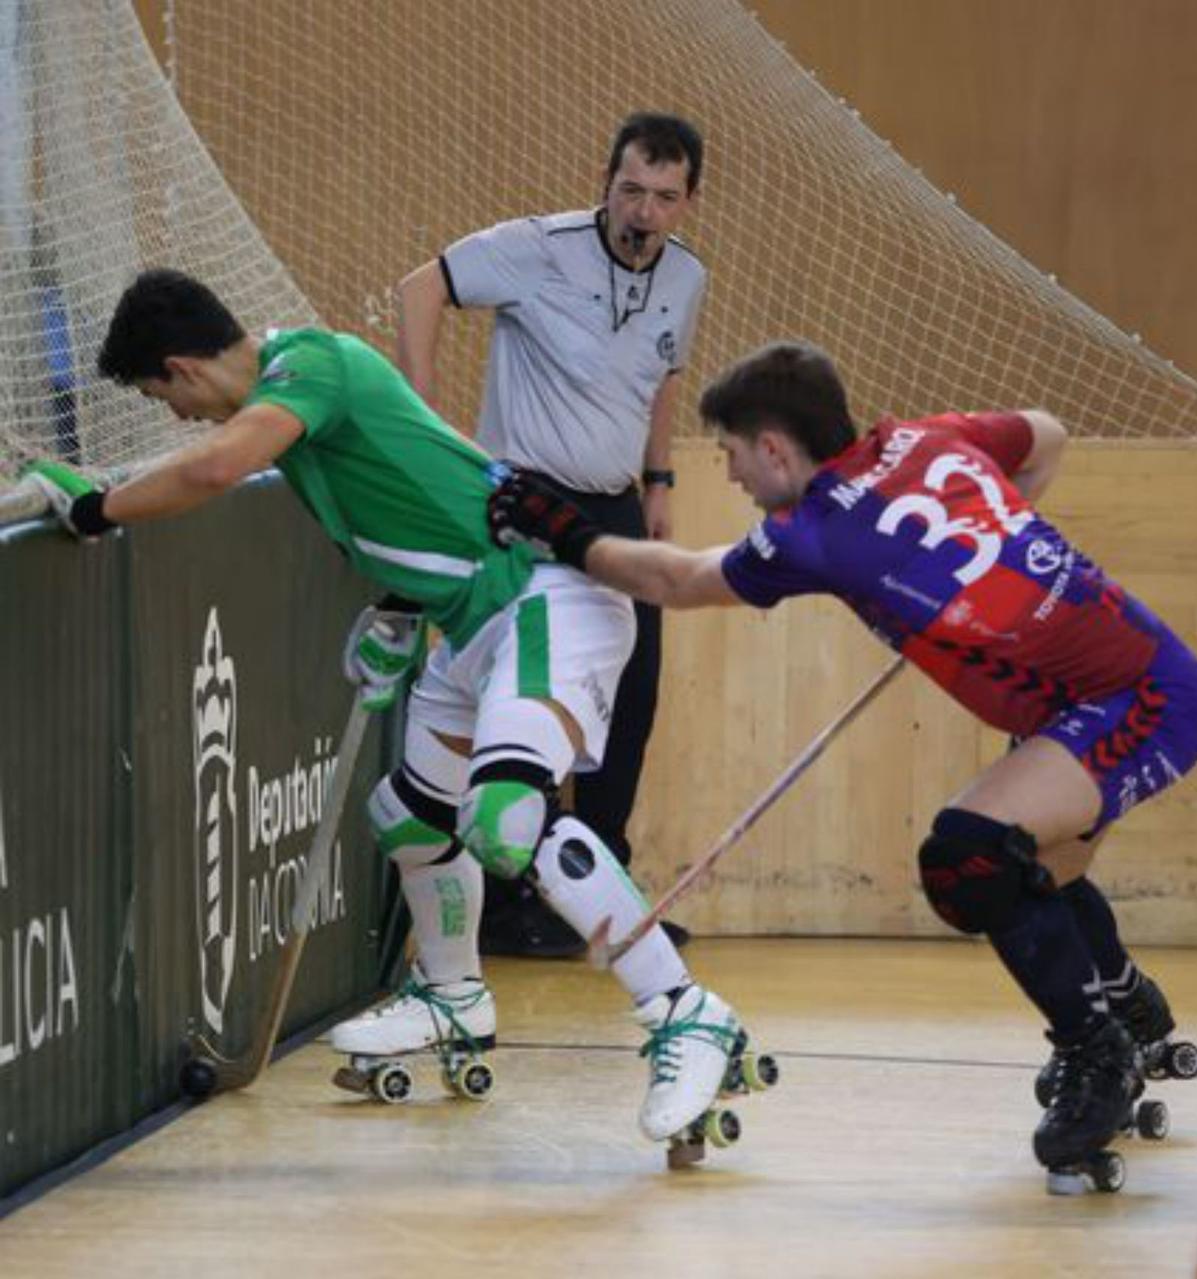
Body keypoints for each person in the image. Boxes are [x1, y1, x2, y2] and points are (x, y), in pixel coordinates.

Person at [27, 267, 751, 1148]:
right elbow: (419, 489)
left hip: (541, 597)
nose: (178, 420)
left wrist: (97, 509)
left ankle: (686, 1010)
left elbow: (215, 467)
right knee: (408, 813)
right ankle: (453, 999)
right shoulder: (298, 397)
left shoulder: (311, 370)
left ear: (181, 368)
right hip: (471, 617)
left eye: (162, 398)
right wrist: (403, 606)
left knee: (503, 821)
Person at [487, 338, 1197, 1181]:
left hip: (1138, 700)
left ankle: (1097, 1056)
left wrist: (564, 534)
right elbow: (1047, 433)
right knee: (1038, 856)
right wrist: (996, 540)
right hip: (1112, 678)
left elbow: (677, 581)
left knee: (970, 858)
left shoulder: (815, 531)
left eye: (735, 455)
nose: (734, 476)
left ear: (778, 447)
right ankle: (1127, 1003)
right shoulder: (929, 439)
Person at [396, 112, 706, 955]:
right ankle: (503, 902)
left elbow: (664, 376)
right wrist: (426, 423)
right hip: (521, 502)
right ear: (605, 183)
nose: (644, 211)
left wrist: (660, 477)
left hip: (612, 507)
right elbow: (420, 288)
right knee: (519, 693)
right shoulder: (538, 246)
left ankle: (598, 894)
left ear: (687, 203)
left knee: (629, 694)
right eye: (631, 190)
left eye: (664, 198)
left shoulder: (685, 277)